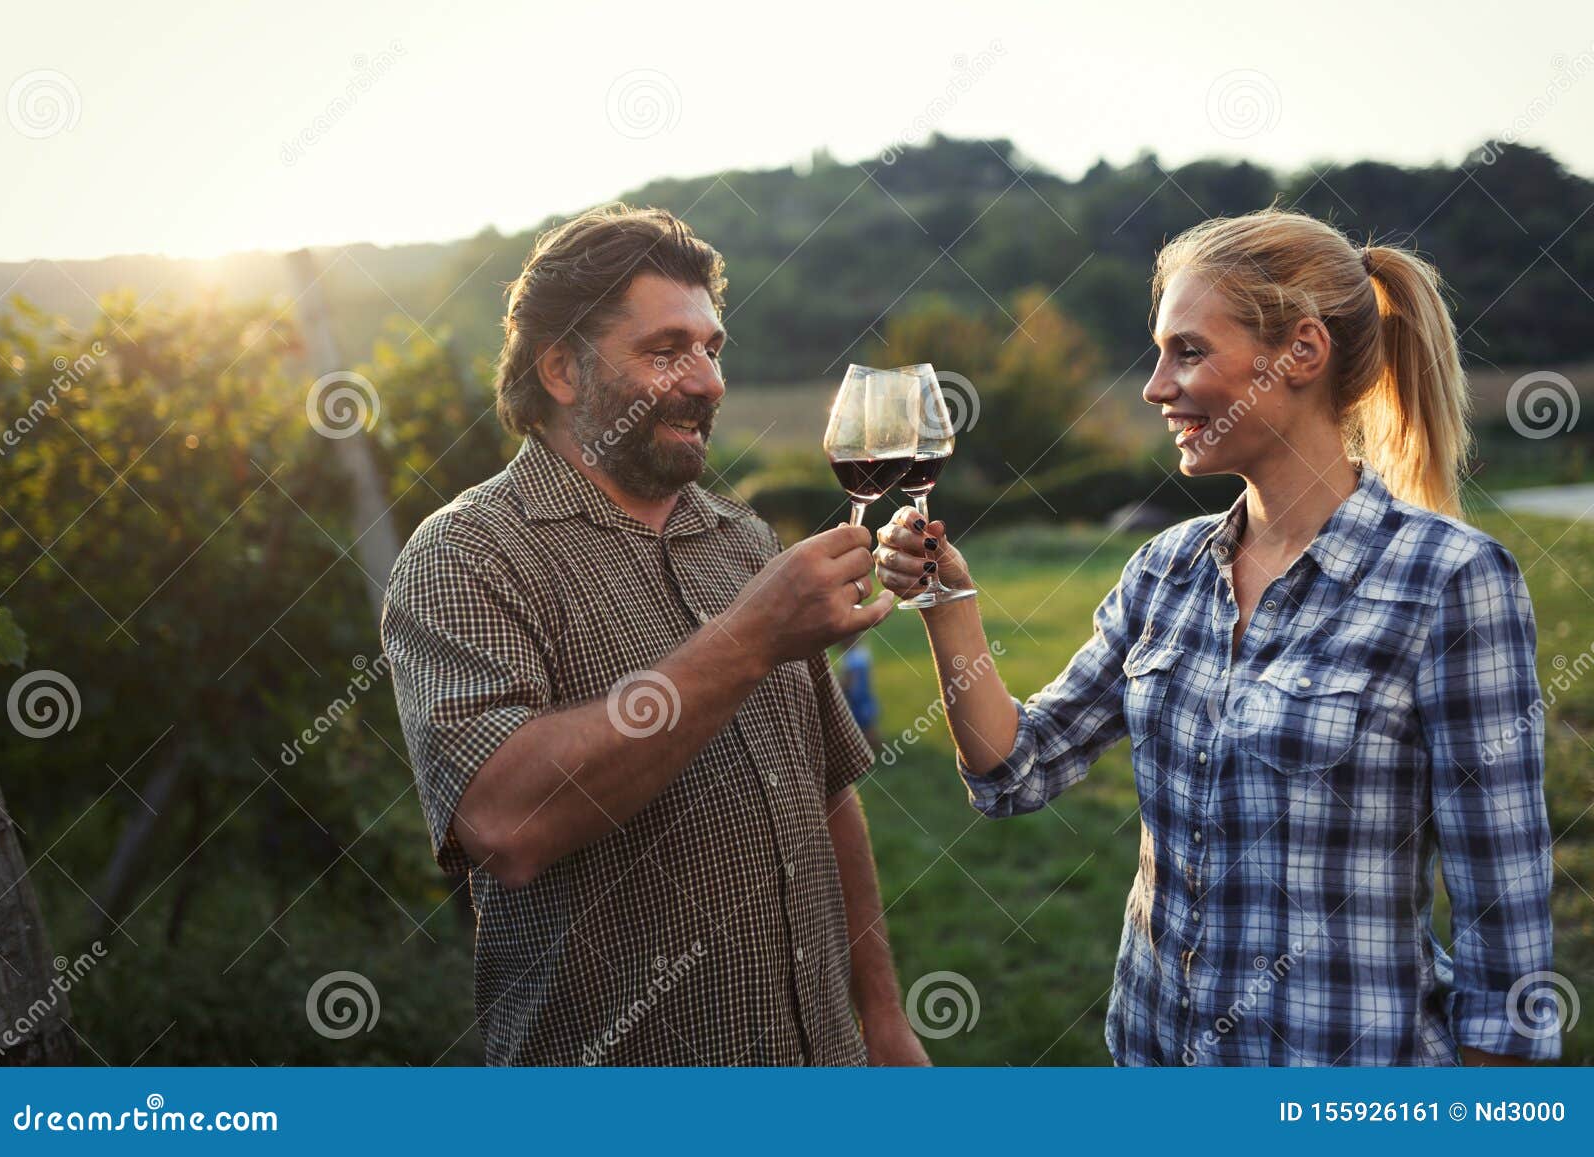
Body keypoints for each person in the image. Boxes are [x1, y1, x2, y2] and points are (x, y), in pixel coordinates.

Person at [873, 207, 1558, 1066]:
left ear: (1302, 352)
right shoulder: (1165, 571)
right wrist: (948, 600)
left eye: (1188, 351)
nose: (1156, 386)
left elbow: (1507, 933)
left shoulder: (1451, 582)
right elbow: (1015, 769)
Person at [382, 204, 927, 1066]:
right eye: (666, 350)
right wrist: (749, 639)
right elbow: (506, 824)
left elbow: (829, 789)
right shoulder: (467, 556)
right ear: (561, 368)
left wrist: (885, 1017)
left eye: (711, 349)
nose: (708, 380)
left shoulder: (743, 540)